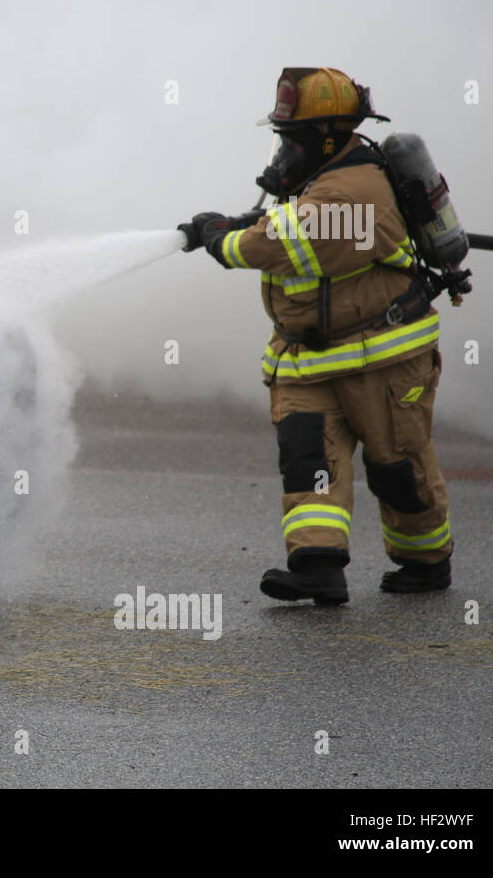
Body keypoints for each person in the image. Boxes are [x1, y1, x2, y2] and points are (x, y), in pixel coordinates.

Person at [180, 67, 453, 605]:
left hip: (383, 359)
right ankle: (318, 566)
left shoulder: (356, 191)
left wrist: (221, 238)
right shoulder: (324, 183)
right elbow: (284, 228)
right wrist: (241, 224)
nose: (284, 149)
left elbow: (283, 244)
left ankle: (426, 563)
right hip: (311, 358)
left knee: (398, 466)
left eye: (294, 137)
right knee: (310, 461)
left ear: (329, 136)